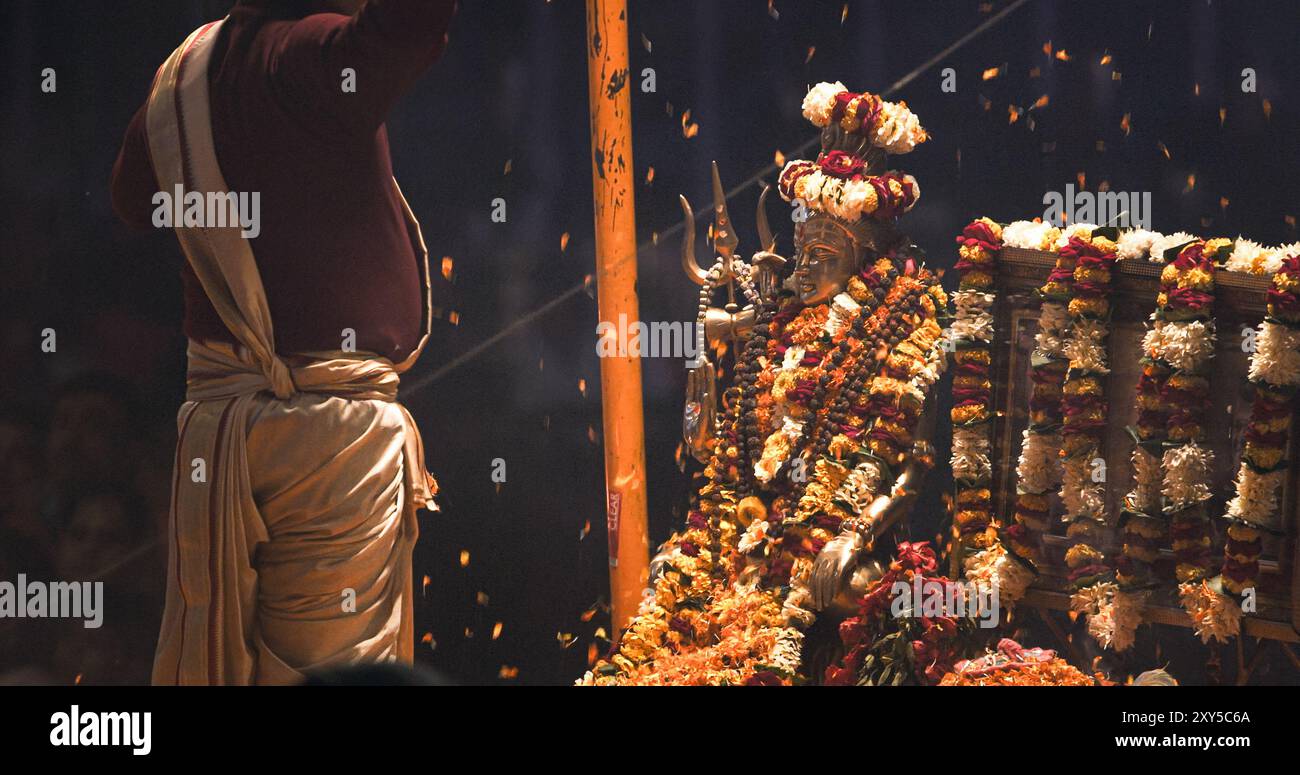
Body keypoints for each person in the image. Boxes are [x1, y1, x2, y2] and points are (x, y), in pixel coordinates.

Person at [110, 0, 457, 685]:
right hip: (324, 442)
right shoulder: (310, 56)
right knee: (332, 675)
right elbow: (415, 23)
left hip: (222, 432)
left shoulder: (184, 75)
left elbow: (131, 199)